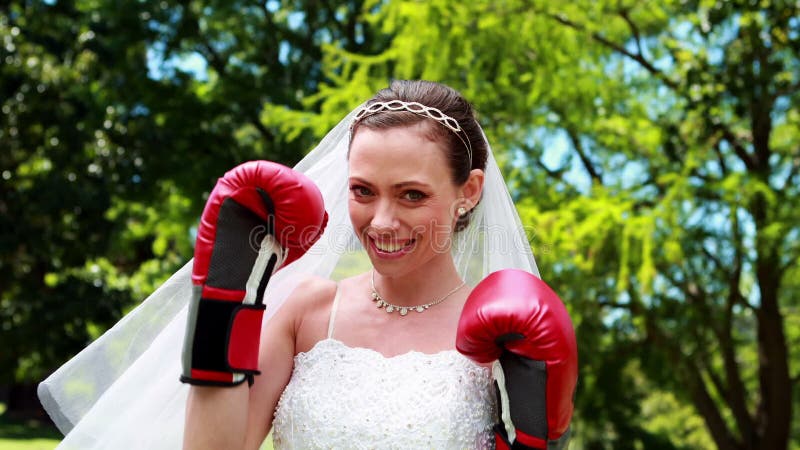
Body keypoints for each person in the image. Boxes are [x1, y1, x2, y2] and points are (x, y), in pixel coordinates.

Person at [38, 80, 575, 449]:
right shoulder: (309, 312)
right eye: (363, 190)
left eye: (411, 195)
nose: (381, 221)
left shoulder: (505, 333)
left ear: (469, 191)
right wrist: (225, 293)